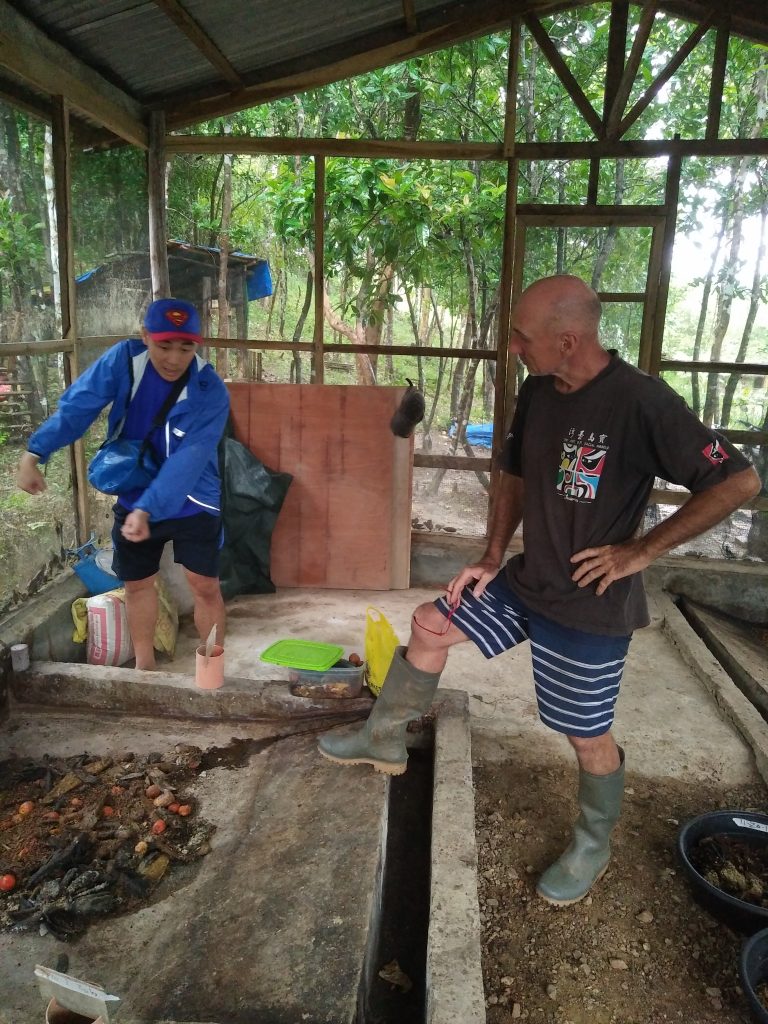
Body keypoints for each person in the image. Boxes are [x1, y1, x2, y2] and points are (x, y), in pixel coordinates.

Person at [318, 274, 761, 906]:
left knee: (584, 733)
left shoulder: (642, 402)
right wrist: (493, 554)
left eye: (523, 337)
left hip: (590, 601)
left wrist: (641, 551)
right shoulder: (538, 392)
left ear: (569, 340)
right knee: (430, 623)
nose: (514, 347)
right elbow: (515, 473)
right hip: (528, 580)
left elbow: (737, 483)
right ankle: (384, 736)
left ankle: (592, 842)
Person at [16, 297, 230, 671]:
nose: (175, 358)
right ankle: (144, 669)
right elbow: (78, 407)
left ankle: (211, 670)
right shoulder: (123, 362)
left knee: (205, 585)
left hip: (193, 496)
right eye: (164, 345)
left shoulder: (210, 390)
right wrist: (35, 452)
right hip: (135, 491)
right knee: (137, 584)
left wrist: (149, 507)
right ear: (145, 336)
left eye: (186, 347)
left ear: (198, 344)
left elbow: (190, 459)